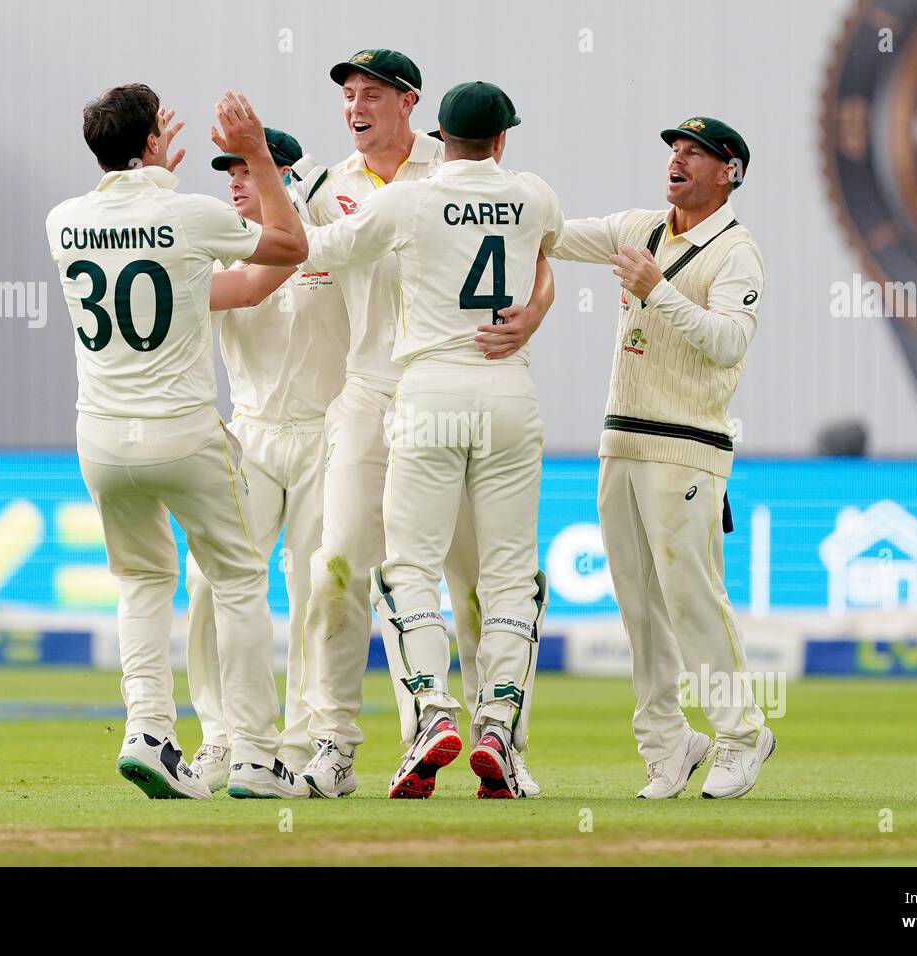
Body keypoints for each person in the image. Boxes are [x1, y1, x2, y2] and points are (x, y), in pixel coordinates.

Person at [45, 85, 306, 799]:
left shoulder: (63, 220)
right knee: (239, 579)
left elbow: (166, 265)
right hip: (182, 433)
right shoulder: (192, 214)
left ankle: (149, 733)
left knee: (140, 582)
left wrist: (154, 176)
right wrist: (254, 154)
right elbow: (291, 246)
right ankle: (254, 755)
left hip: (100, 439)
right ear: (155, 142)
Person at [303, 80, 562, 799]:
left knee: (408, 567)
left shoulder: (407, 201)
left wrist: (267, 185)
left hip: (428, 392)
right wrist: (533, 310)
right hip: (509, 392)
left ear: (438, 137)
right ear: (502, 140)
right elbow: (547, 255)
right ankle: (498, 731)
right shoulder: (533, 194)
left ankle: (431, 716)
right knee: (509, 578)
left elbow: (315, 246)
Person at [549, 116, 774, 799]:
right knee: (639, 607)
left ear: (728, 172)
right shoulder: (641, 226)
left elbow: (729, 343)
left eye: (695, 153)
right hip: (621, 440)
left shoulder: (737, 252)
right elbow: (553, 233)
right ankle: (668, 743)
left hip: (688, 447)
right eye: (675, 149)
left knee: (691, 598)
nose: (678, 159)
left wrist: (657, 290)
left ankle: (741, 734)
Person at [183, 127, 350, 796]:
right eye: (230, 171)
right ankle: (223, 737)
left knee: (319, 590)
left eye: (250, 170)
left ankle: (304, 744)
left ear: (284, 176)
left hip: (324, 431)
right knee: (209, 585)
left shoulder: (331, 240)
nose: (235, 181)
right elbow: (226, 294)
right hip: (250, 435)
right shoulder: (218, 248)